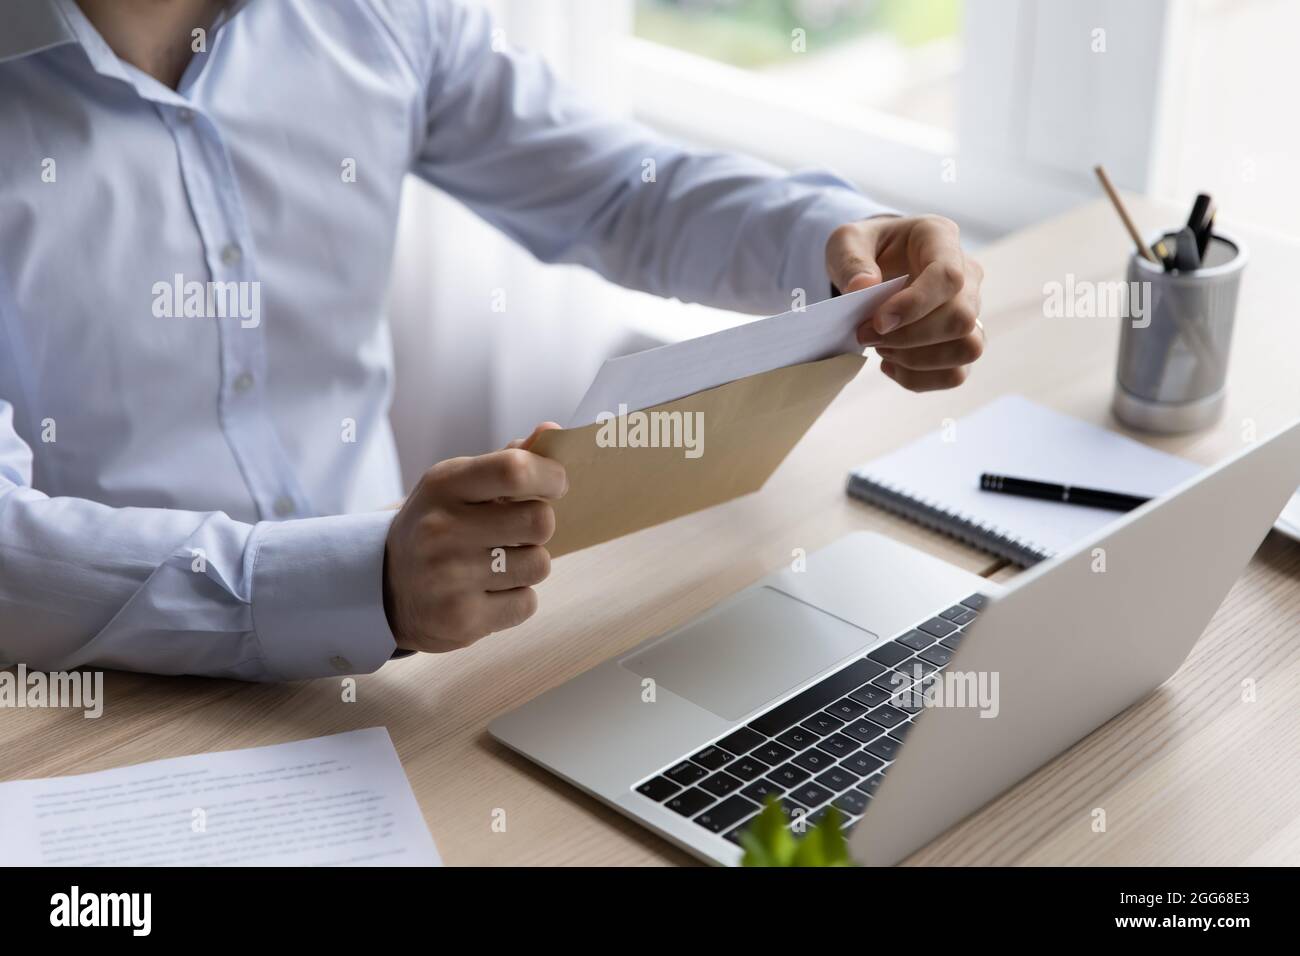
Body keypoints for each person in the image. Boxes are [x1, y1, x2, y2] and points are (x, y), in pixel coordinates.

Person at [0, 0, 985, 680]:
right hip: (106, 696)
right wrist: (360, 580)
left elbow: (613, 188)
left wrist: (834, 246)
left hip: (400, 671)